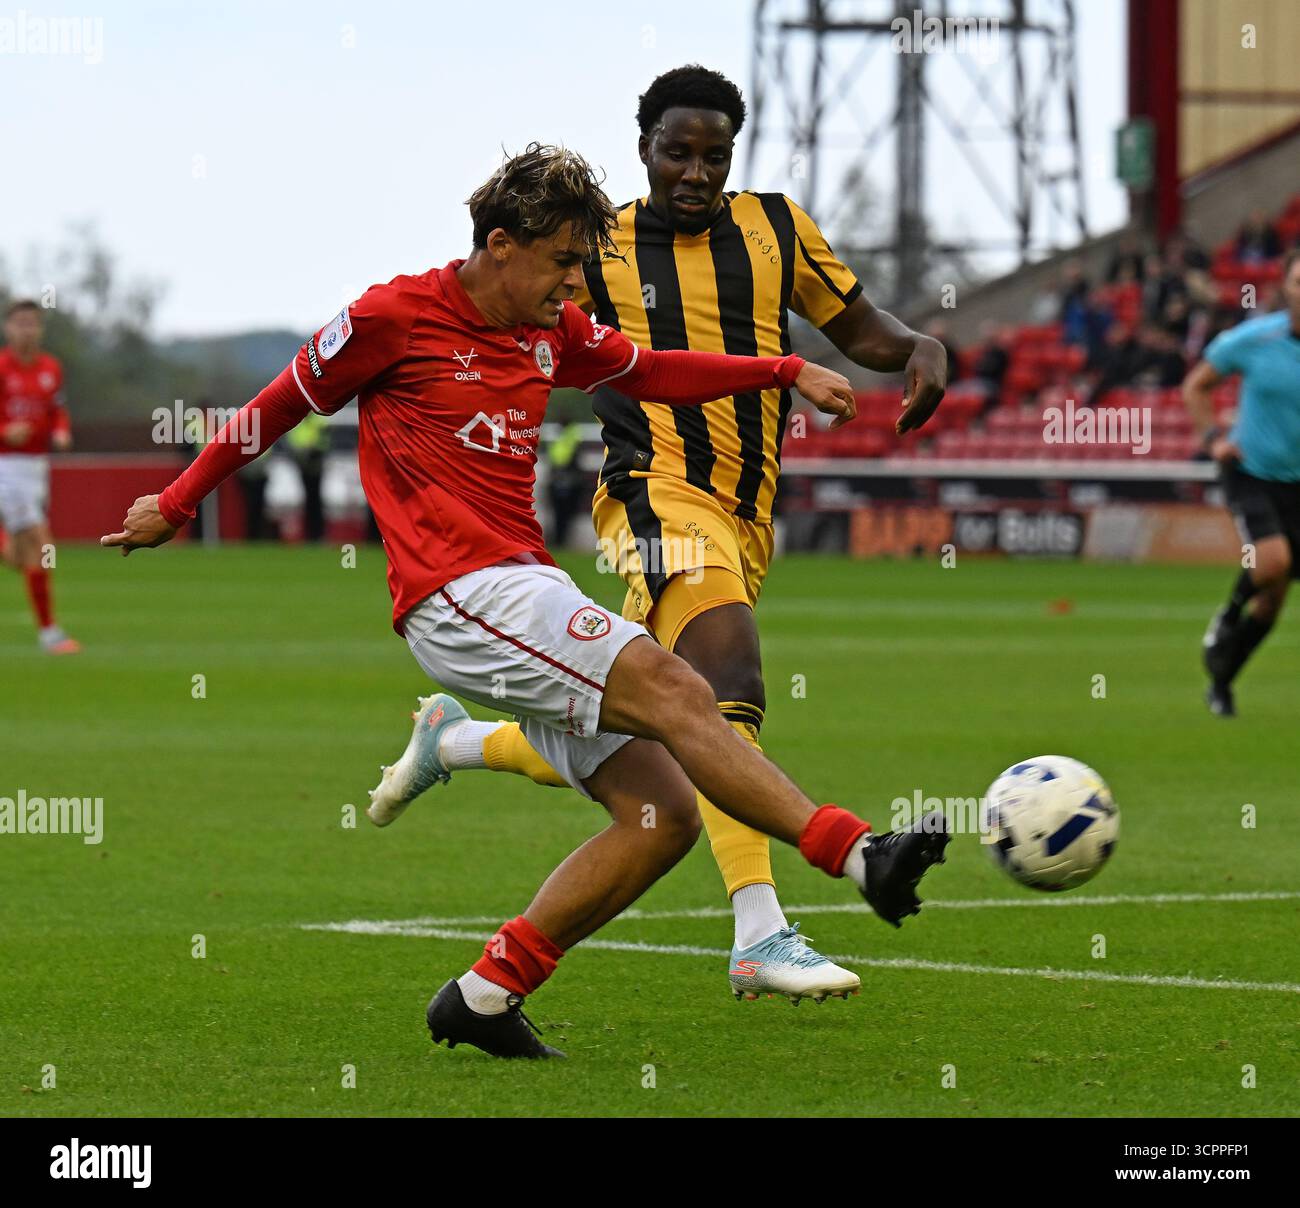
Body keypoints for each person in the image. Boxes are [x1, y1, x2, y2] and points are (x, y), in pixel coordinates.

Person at [102, 144, 950, 1059]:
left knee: (661, 814)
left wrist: (780, 373)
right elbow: (274, 405)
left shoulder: (553, 329)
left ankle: (486, 992)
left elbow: (653, 370)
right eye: (560, 264)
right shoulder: (394, 316)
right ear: (500, 245)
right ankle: (856, 853)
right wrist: (177, 503)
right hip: (456, 592)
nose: (573, 285)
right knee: (678, 692)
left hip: (522, 586)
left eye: (583, 266)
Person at [391, 66, 947, 1005]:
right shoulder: (595, 248)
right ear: (644, 148)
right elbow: (519, 307)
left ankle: (459, 744)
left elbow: (856, 325)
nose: (695, 172)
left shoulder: (777, 227)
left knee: (650, 711)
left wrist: (922, 347)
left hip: (746, 507)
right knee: (726, 684)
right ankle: (761, 928)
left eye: (714, 155)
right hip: (651, 496)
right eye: (676, 153)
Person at [1184, 249, 1300, 716]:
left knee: (1272, 603)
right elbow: (1196, 385)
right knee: (1272, 563)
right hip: (1253, 473)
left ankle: (1223, 681)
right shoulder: (1255, 339)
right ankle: (1226, 619)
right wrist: (1213, 438)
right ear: (1286, 287)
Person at [0, 299, 80, 653]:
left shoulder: (51, 367)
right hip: (7, 467)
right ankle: (49, 633)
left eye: (32, 323)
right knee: (44, 544)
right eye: (19, 323)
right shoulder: (2, 367)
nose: (26, 329)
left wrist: (61, 430)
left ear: (40, 329)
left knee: (19, 556)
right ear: (8, 328)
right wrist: (4, 431)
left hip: (37, 468)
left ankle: (47, 629)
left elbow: (57, 410)